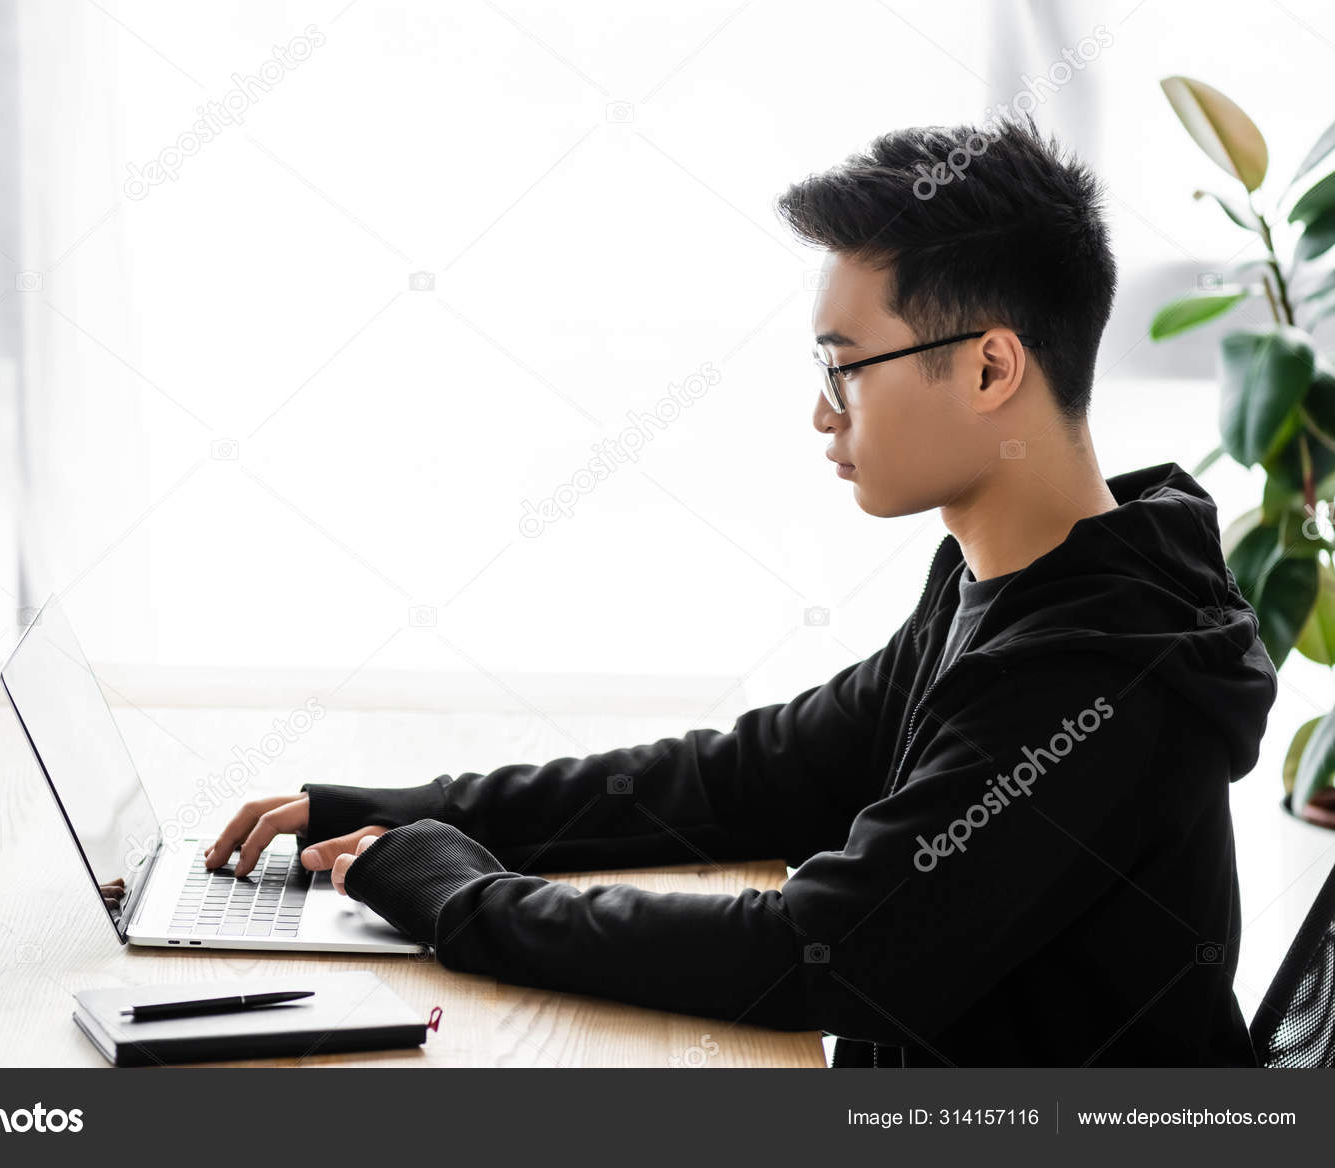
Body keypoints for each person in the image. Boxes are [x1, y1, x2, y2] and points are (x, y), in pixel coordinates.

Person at [205, 116, 1277, 1067]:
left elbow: (817, 953)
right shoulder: (997, 582)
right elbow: (747, 776)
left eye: (844, 367)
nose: (822, 415)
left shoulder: (1094, 671)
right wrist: (409, 815)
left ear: (993, 370)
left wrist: (459, 897)